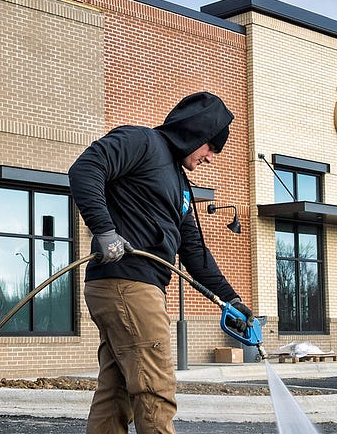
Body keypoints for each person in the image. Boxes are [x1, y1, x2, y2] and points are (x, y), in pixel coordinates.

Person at [69, 91, 252, 434]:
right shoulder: (141, 141)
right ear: (197, 133)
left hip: (126, 287)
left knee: (116, 391)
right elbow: (86, 168)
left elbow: (195, 251)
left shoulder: (181, 186)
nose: (211, 158)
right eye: (211, 148)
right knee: (156, 387)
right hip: (129, 284)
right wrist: (105, 231)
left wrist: (232, 300)